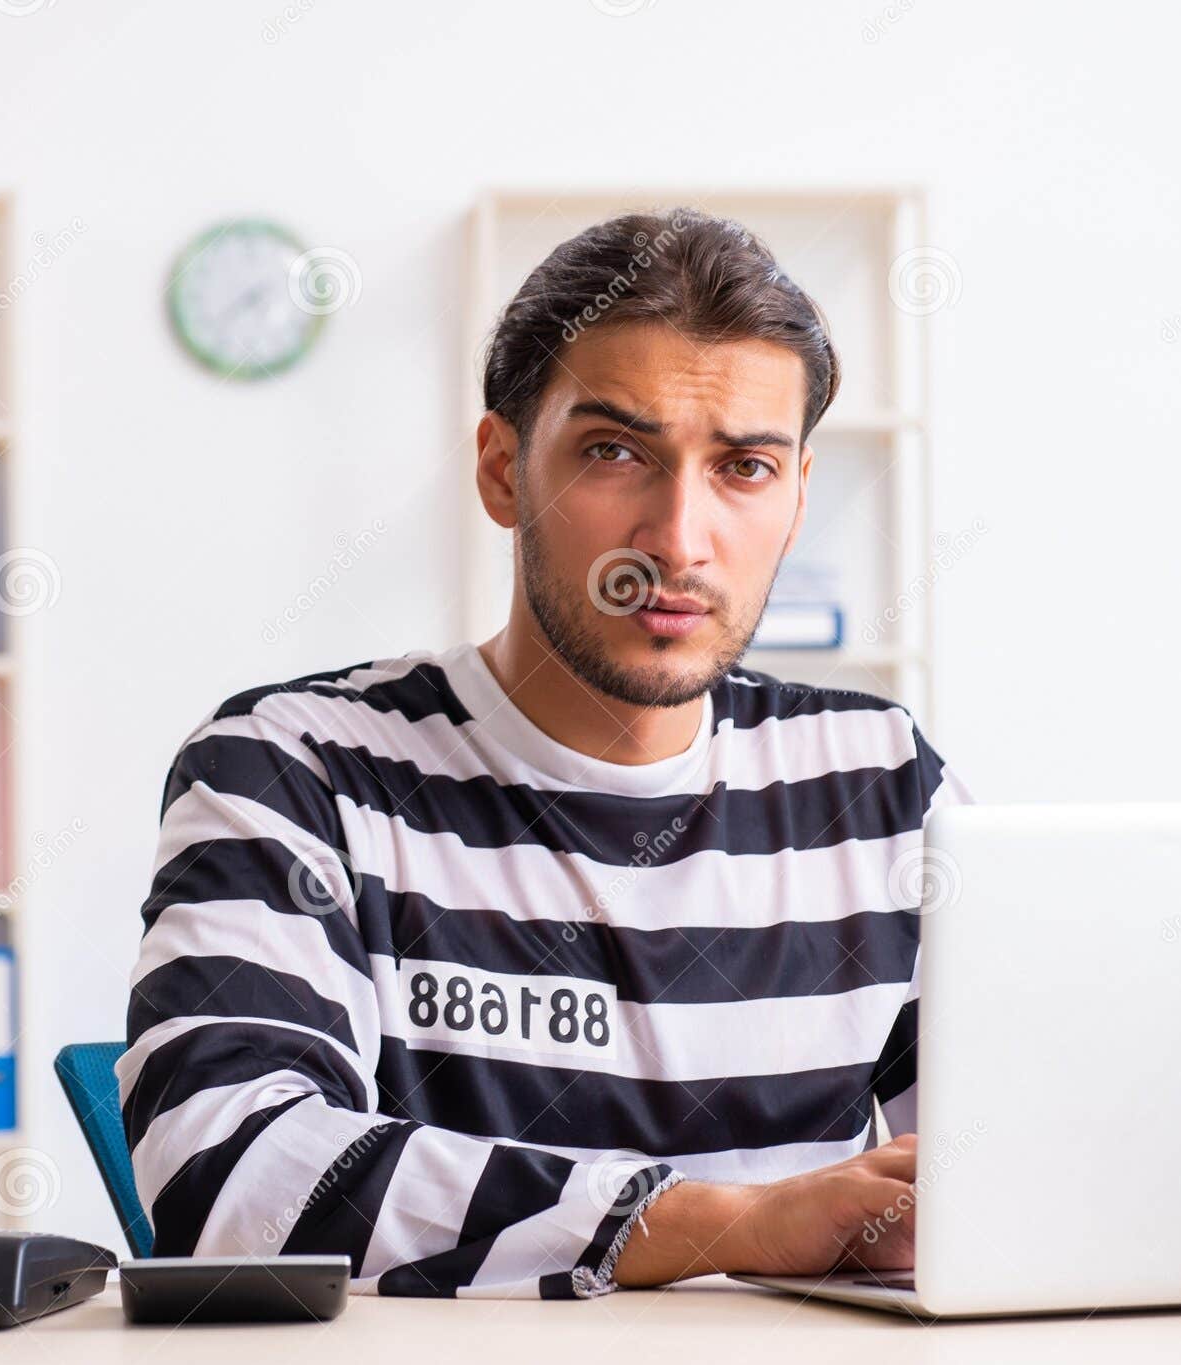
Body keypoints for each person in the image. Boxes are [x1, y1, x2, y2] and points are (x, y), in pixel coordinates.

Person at [118, 208, 972, 1298]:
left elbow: (1017, 1163)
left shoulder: (877, 780)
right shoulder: (297, 768)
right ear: (500, 468)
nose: (676, 537)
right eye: (614, 452)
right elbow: (225, 1175)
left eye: (743, 468)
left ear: (797, 497)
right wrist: (727, 1226)